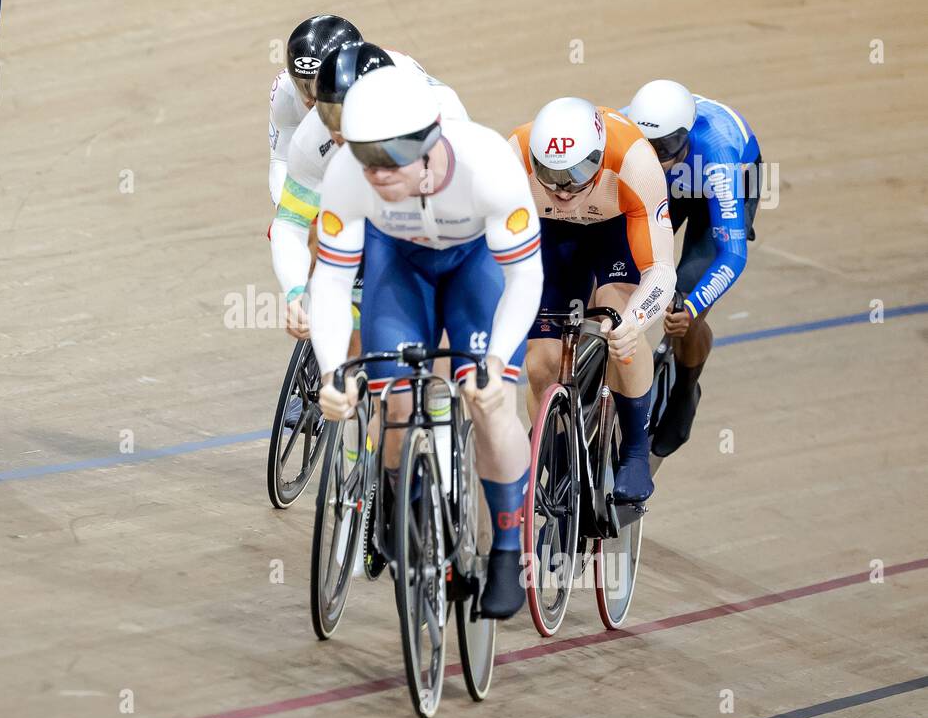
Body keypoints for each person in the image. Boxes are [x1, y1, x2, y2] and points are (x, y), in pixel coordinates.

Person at [309, 65, 543, 619]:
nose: (375, 174)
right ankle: (398, 490)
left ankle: (508, 549)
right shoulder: (347, 174)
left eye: (389, 159)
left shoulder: (488, 167)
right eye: (366, 158)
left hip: (474, 268)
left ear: (428, 146)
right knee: (396, 396)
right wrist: (330, 372)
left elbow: (525, 278)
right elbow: (333, 281)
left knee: (490, 406)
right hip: (401, 266)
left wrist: (493, 361)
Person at [509, 98, 676, 503]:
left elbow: (661, 269)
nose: (564, 189)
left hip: (614, 232)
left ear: (600, 157)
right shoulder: (512, 156)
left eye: (578, 173)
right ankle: (562, 459)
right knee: (542, 362)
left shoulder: (635, 161)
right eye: (551, 174)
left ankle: (634, 451)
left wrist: (636, 320)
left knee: (620, 332)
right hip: (552, 236)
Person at [270, 41, 468, 339]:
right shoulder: (312, 137)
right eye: (329, 116)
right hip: (364, 207)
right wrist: (295, 292)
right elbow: (289, 223)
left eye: (347, 117)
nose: (337, 132)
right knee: (357, 334)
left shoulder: (440, 118)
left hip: (427, 205)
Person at [624, 80, 762, 456]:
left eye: (664, 148)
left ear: (684, 138)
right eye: (645, 147)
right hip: (669, 184)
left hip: (717, 183)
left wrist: (693, 306)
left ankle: (686, 387)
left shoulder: (719, 153)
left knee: (682, 300)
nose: (653, 156)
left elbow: (731, 255)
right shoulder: (620, 134)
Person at [267, 15, 361, 205]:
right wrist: (285, 211)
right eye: (302, 85)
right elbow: (281, 160)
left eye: (318, 86)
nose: (309, 99)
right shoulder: (285, 91)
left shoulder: (380, 85)